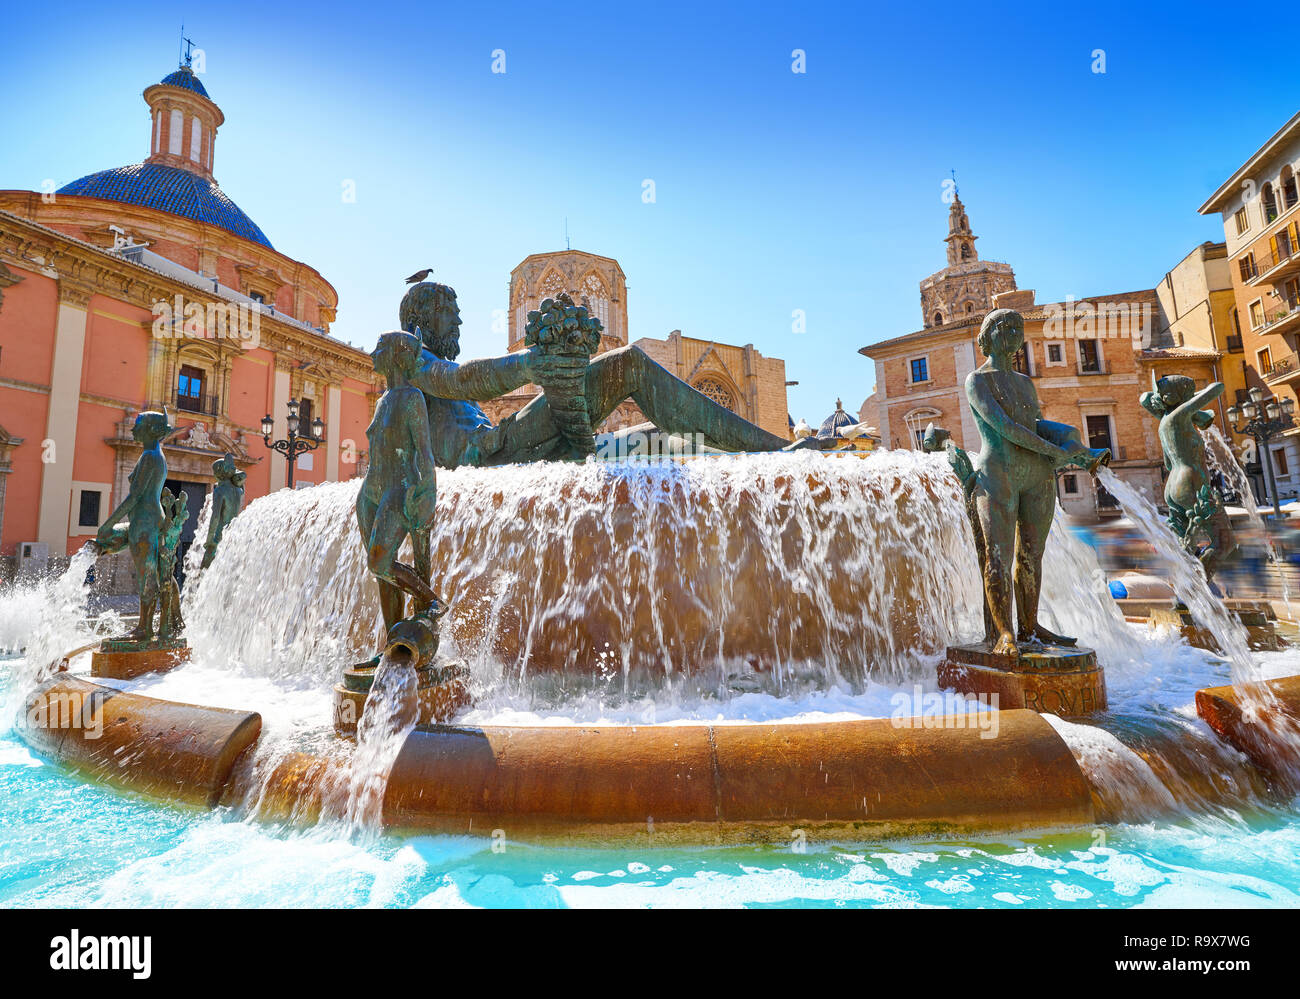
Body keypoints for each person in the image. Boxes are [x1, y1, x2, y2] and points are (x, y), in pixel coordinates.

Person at [966, 310, 1108, 657]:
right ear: (987, 336)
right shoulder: (977, 381)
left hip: (1037, 476)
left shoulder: (1025, 382)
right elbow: (1006, 428)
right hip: (997, 475)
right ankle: (1004, 633)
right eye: (1005, 326)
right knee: (998, 557)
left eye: (1019, 327)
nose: (1015, 332)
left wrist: (1070, 441)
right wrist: (1062, 452)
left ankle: (1030, 627)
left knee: (1032, 556)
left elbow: (1033, 423)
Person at [356, 331, 443, 641]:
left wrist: (426, 496)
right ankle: (393, 642)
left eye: (379, 347)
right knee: (384, 578)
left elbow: (424, 450)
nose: (373, 353)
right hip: (370, 493)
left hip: (399, 489)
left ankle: (430, 600)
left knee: (379, 564)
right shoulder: (383, 399)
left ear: (395, 354)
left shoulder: (412, 397)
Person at [95, 411, 171, 643]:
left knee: (145, 576)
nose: (133, 429)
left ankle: (144, 629)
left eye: (138, 425)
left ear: (150, 430)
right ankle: (146, 626)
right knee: (146, 573)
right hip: (145, 520)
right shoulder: (152, 455)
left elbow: (134, 496)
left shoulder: (150, 457)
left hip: (145, 522)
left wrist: (108, 524)